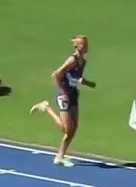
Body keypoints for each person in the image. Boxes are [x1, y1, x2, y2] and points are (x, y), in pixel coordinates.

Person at [30, 35, 95, 167]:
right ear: (77, 46)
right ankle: (46, 107)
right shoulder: (72, 60)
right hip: (64, 94)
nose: (86, 46)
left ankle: (60, 156)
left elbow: (74, 76)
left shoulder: (83, 61)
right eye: (83, 44)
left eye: (86, 44)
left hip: (73, 93)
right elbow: (56, 74)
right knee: (67, 130)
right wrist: (63, 92)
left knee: (74, 128)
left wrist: (86, 82)